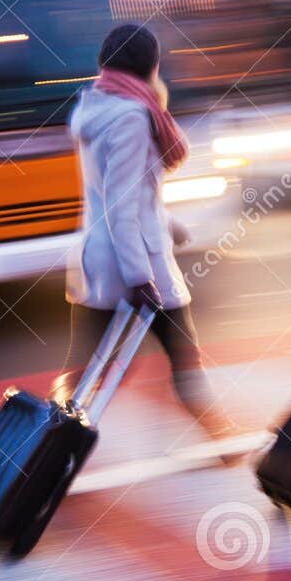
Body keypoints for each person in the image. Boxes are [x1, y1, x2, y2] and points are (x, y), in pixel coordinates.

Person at [58, 23, 235, 452]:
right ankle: (223, 438)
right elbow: (121, 203)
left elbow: (125, 194)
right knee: (182, 353)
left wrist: (169, 224)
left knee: (89, 365)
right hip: (136, 265)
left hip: (99, 259)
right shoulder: (133, 116)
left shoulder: (94, 106)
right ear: (150, 66)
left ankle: (45, 439)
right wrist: (140, 277)